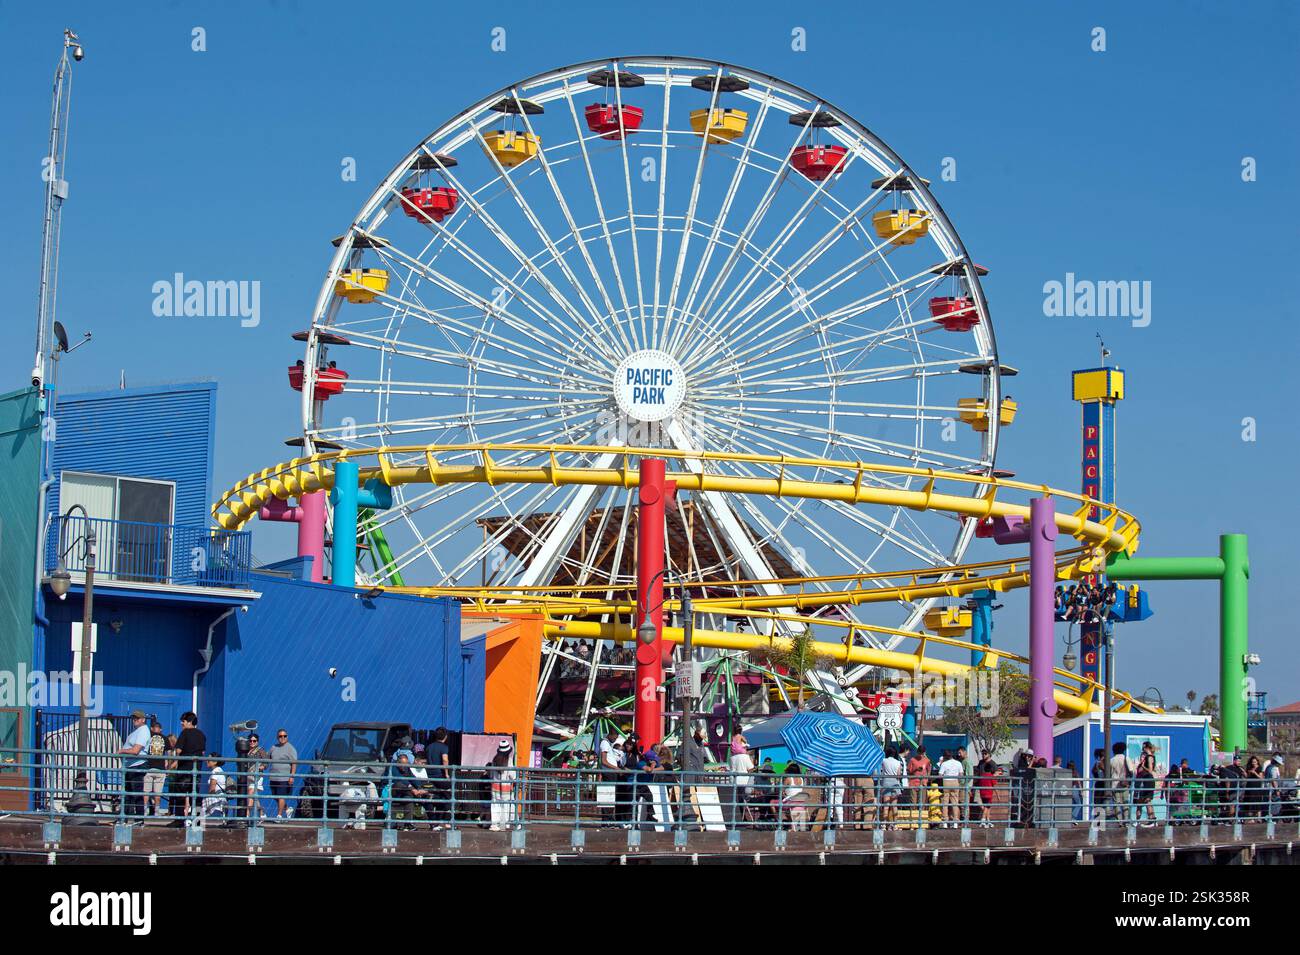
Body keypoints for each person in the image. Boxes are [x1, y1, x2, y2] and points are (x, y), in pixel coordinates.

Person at [170, 712, 207, 819]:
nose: (182, 723)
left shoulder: (184, 733)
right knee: (195, 795)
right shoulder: (201, 734)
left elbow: (178, 750)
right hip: (196, 769)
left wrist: (177, 756)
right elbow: (203, 752)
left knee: (181, 795)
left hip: (184, 769)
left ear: (189, 722)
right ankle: (197, 821)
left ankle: (180, 820)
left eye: (184, 721)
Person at [117, 710, 151, 818]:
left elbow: (136, 750)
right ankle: (124, 818)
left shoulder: (143, 731)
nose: (134, 720)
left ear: (143, 719)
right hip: (130, 765)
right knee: (127, 794)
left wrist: (122, 751)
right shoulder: (137, 731)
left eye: (137, 718)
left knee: (137, 793)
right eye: (134, 718)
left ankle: (139, 819)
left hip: (137, 765)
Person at [267, 728, 298, 820]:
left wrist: (292, 776)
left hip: (284, 778)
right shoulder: (273, 747)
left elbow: (294, 763)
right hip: (273, 777)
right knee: (275, 796)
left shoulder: (290, 748)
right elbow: (267, 759)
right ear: (277, 737)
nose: (282, 738)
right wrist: (262, 766)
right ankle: (287, 809)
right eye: (280, 736)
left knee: (281, 796)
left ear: (287, 737)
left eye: (285, 736)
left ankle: (279, 816)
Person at [488, 740, 517, 831]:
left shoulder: (494, 759)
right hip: (506, 787)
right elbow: (513, 775)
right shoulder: (509, 760)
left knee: (495, 805)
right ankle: (503, 825)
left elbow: (491, 774)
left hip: (495, 786)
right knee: (506, 805)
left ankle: (494, 824)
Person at [242, 732, 269, 820]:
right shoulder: (246, 751)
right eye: (250, 741)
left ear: (257, 741)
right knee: (254, 796)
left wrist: (262, 766)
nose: (252, 742)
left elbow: (266, 762)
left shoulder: (261, 750)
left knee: (250, 793)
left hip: (257, 776)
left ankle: (247, 815)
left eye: (254, 741)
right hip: (249, 775)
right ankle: (262, 812)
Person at [143, 720, 168, 817]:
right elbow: (169, 753)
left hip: (148, 767)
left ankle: (145, 811)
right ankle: (156, 812)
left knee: (146, 792)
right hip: (160, 769)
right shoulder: (165, 738)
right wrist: (168, 767)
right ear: (161, 729)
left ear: (151, 729)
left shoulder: (147, 737)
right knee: (158, 793)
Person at [878, 746, 903, 829]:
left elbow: (881, 770)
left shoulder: (884, 761)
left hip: (886, 783)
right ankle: (894, 824)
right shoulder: (898, 762)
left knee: (886, 805)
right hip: (895, 783)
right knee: (894, 805)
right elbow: (899, 774)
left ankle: (884, 824)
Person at [1134, 741, 1158, 826]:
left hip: (1147, 780)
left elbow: (1150, 770)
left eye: (1143, 748)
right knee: (1145, 801)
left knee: (1145, 800)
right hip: (1146, 780)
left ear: (1146, 747)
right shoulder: (1151, 757)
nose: (1143, 750)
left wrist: (1142, 766)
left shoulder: (1149, 757)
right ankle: (1151, 819)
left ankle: (1151, 820)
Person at [937, 750, 963, 827]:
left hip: (946, 781)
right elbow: (961, 774)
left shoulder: (944, 764)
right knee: (955, 802)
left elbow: (940, 775)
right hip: (955, 782)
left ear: (945, 756)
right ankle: (955, 821)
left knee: (945, 802)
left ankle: (945, 821)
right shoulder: (958, 763)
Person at [1108, 742, 1132, 822]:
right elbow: (1131, 771)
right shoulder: (1126, 758)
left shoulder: (1111, 760)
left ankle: (1120, 821)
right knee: (1125, 803)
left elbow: (1109, 773)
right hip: (1125, 784)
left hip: (1114, 784)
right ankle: (1126, 821)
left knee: (1116, 803)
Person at [202, 754, 228, 822]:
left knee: (198, 802)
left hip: (217, 797)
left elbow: (212, 789)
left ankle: (196, 822)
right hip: (222, 797)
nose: (206, 761)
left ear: (215, 762)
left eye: (209, 760)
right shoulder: (220, 770)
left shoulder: (215, 772)